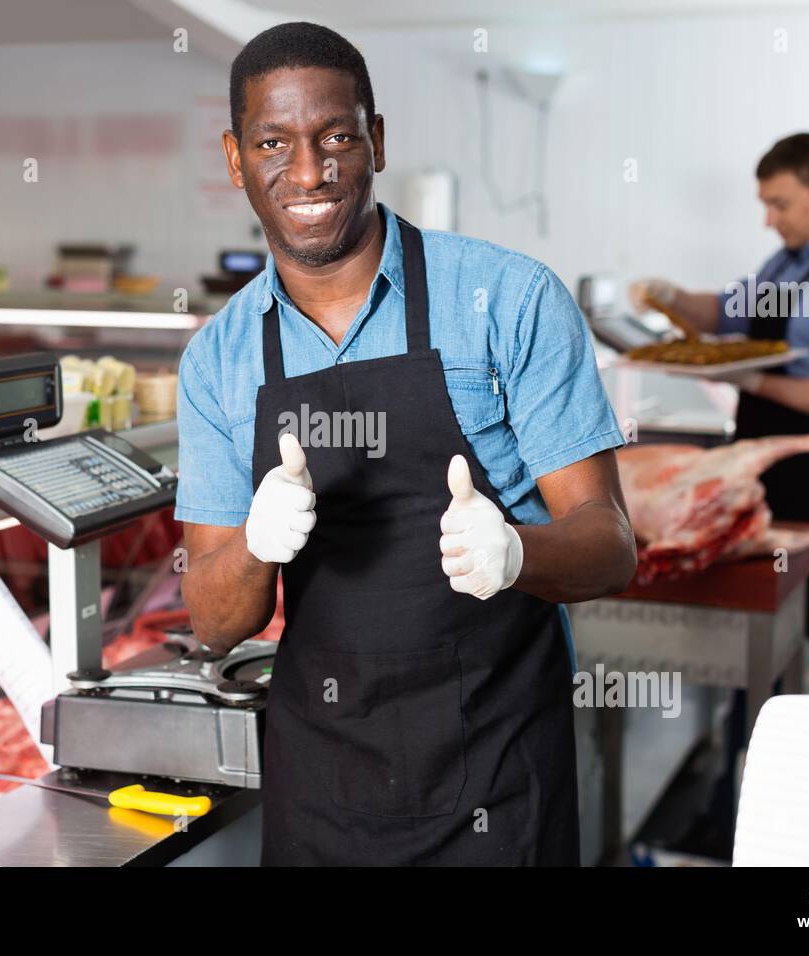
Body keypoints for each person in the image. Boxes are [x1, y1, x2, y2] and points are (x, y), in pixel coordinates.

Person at [175, 21, 636, 866]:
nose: (309, 171)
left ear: (376, 142)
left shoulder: (511, 298)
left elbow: (610, 545)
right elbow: (210, 618)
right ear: (237, 161)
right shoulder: (219, 358)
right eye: (274, 143)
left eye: (337, 137)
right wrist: (254, 547)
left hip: (497, 766)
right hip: (324, 778)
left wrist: (517, 554)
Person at [630, 132, 809, 856]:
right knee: (751, 653)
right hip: (775, 484)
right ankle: (736, 815)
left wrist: (760, 383)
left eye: (780, 202)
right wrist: (668, 300)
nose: (769, 218)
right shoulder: (787, 264)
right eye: (764, 204)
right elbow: (720, 313)